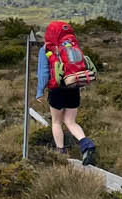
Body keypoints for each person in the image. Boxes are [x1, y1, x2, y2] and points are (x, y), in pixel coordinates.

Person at [39, 19, 95, 164]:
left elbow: (44, 73)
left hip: (57, 89)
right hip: (73, 85)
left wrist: (40, 91)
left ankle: (61, 152)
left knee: (56, 122)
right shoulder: (72, 45)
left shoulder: (46, 49)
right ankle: (85, 144)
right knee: (70, 121)